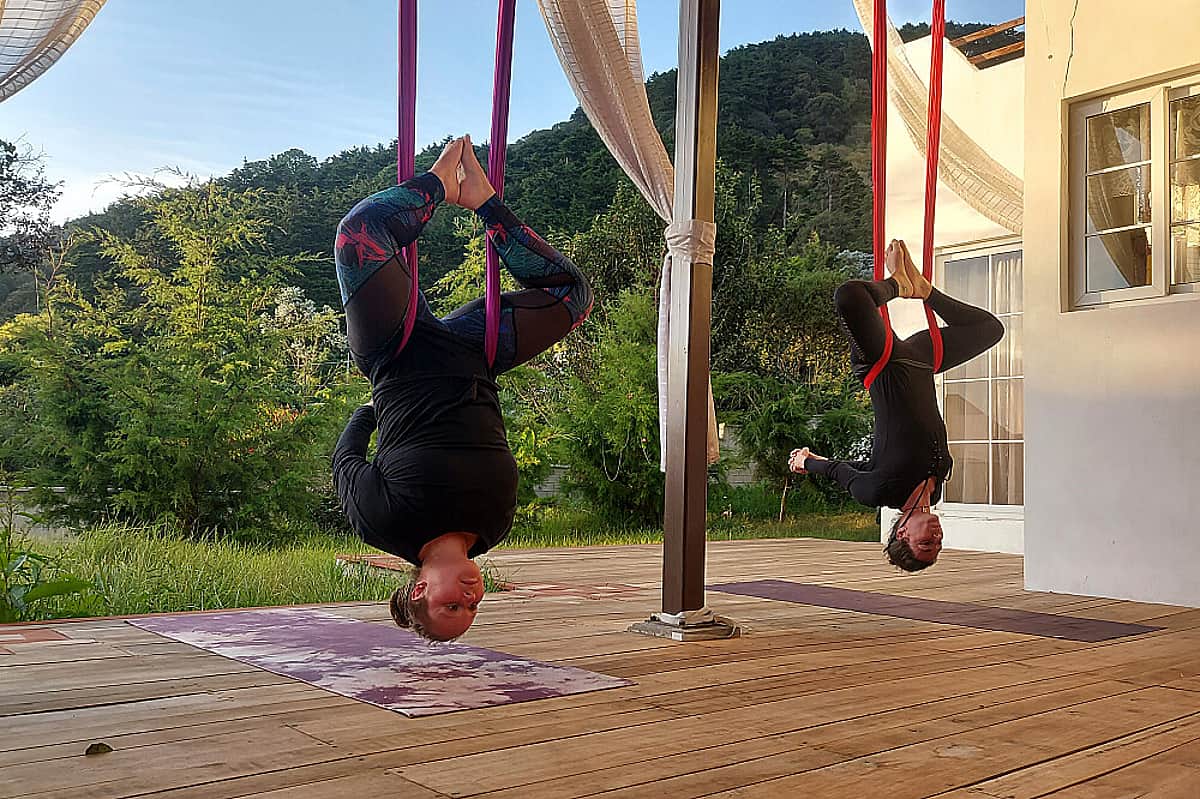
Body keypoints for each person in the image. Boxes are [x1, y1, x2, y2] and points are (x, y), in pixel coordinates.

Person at [332, 135, 592, 641]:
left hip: (397, 355)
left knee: (358, 237)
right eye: (471, 609)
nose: (470, 598)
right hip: (477, 355)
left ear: (417, 590)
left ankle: (436, 186)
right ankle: (482, 201)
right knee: (573, 298)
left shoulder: (384, 524)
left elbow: (347, 459)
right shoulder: (495, 526)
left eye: (452, 604)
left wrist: (372, 407)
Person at [788, 240, 1002, 572]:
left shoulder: (875, 492)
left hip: (883, 365)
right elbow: (877, 460)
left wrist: (808, 461)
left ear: (902, 532)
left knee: (850, 296)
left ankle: (897, 284)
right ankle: (923, 289)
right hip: (920, 363)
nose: (936, 537)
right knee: (990, 329)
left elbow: (840, 470)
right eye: (938, 545)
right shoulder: (937, 489)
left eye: (925, 543)